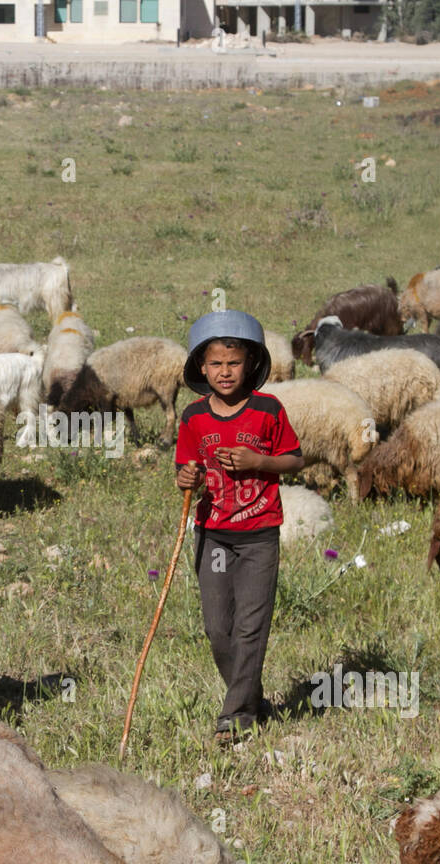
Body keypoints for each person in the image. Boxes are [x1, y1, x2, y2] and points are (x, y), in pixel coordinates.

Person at [174, 310, 303, 745]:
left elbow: (295, 459)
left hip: (259, 534)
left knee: (252, 625)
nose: (224, 372)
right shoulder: (193, 417)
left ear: (250, 363)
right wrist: (186, 479)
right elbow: (184, 471)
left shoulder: (268, 410)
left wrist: (259, 462)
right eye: (215, 363)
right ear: (201, 367)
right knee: (217, 628)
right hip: (212, 534)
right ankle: (251, 696)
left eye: (233, 363)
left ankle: (236, 716)